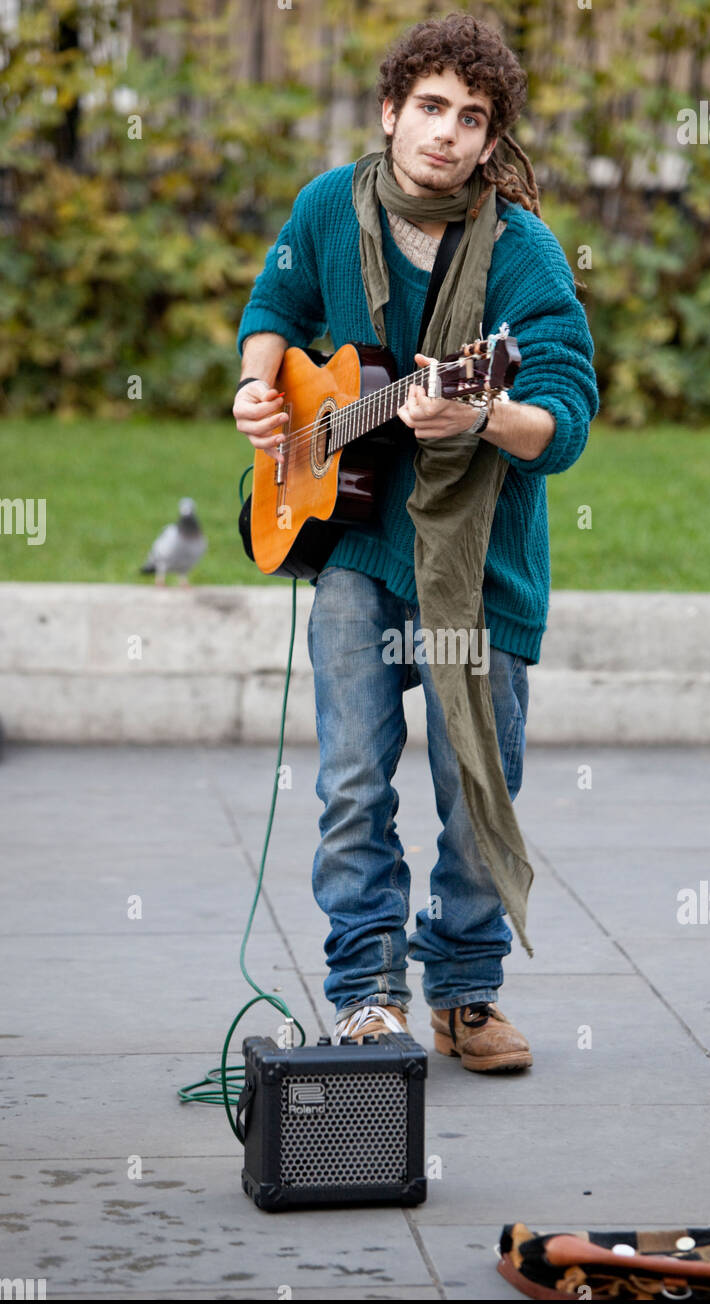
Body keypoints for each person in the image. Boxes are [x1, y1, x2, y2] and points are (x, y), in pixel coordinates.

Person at [233, 13, 598, 1072]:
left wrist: (483, 414)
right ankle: (365, 990)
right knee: (352, 777)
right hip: (353, 546)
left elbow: (564, 417)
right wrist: (262, 390)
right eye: (429, 107)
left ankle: (466, 991)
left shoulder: (523, 253)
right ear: (391, 112)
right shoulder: (326, 208)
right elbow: (276, 302)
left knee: (473, 785)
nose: (446, 132)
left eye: (471, 117)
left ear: (492, 142)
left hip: (476, 567)